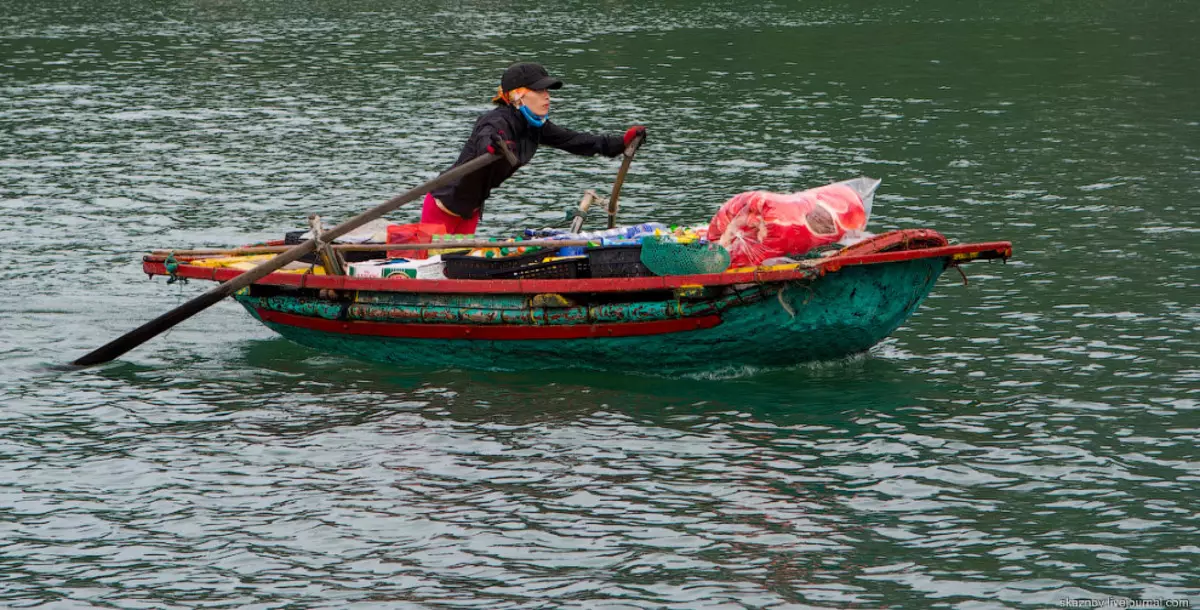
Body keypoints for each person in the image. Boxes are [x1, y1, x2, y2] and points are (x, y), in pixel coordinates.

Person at [422, 62, 647, 234]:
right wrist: (496, 146)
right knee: (430, 268)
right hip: (444, 206)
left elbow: (577, 141)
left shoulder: (536, 127)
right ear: (518, 95)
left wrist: (620, 143)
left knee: (455, 265)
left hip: (471, 210)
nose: (547, 96)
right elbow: (487, 138)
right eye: (539, 91)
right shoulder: (497, 121)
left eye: (547, 91)